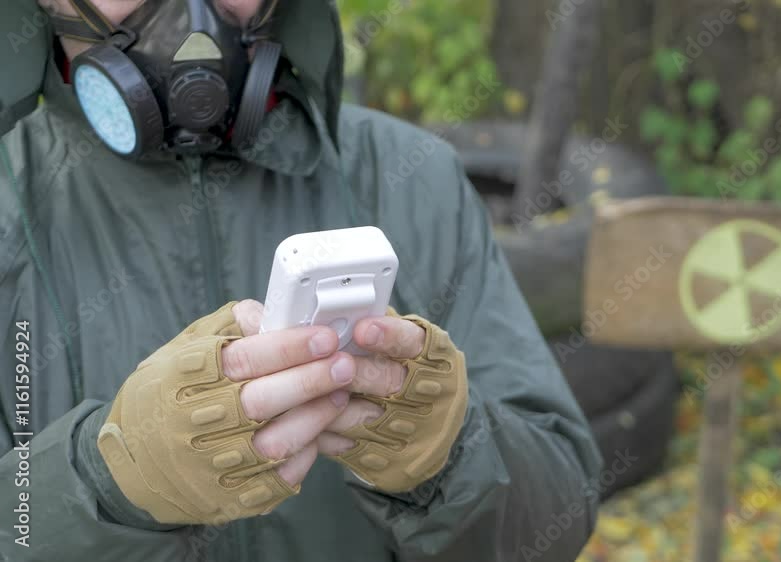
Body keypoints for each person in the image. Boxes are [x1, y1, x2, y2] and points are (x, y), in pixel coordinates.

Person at [0, 0, 604, 559]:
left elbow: (557, 520)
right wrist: (104, 486)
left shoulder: (410, 179)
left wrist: (448, 455)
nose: (191, 15)